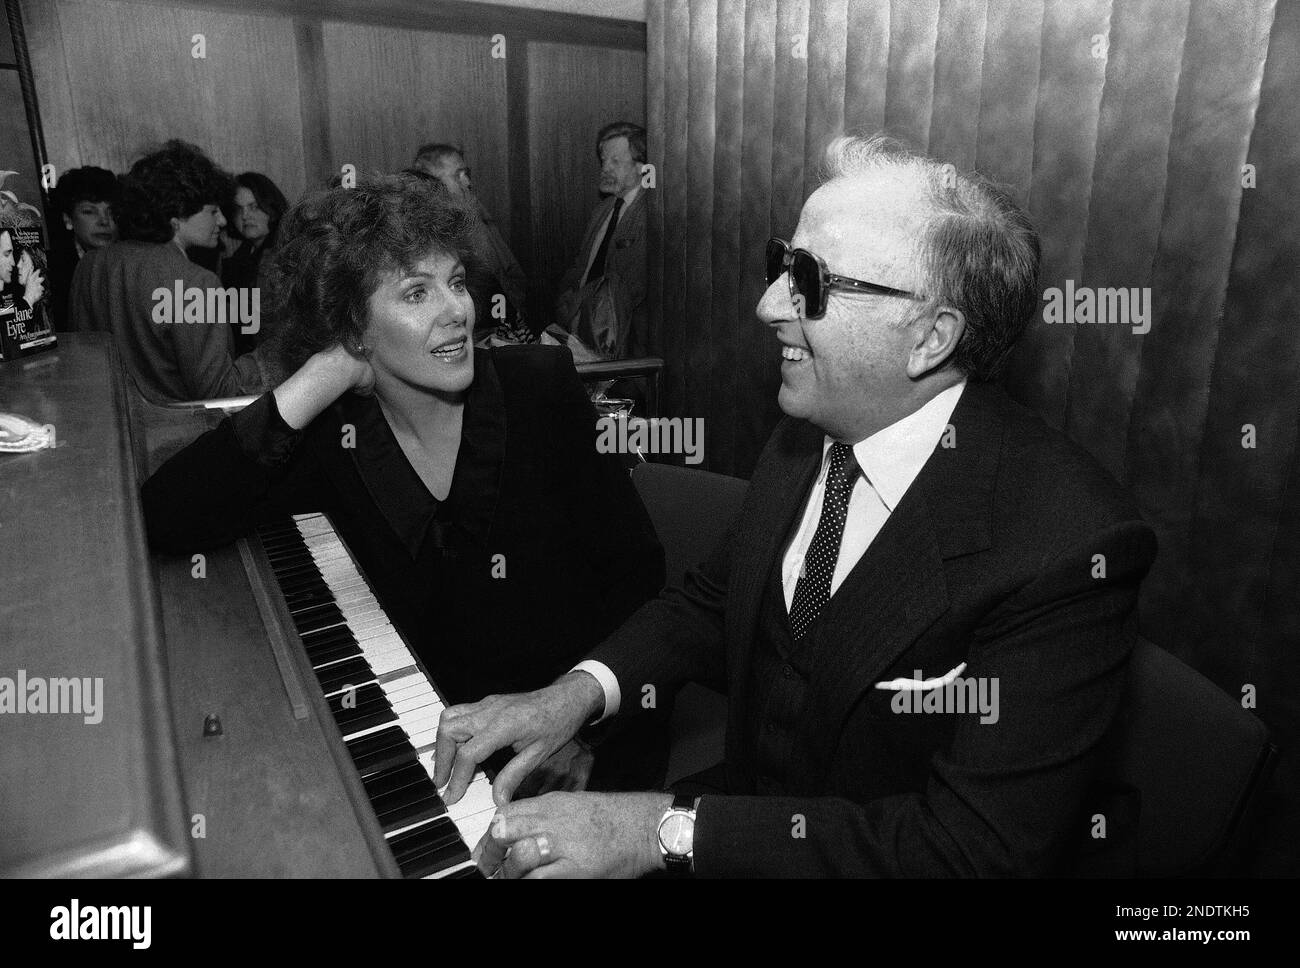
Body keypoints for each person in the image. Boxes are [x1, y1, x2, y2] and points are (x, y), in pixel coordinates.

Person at [433, 134, 1159, 878]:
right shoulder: (807, 431)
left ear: (930, 337)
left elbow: (967, 853)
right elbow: (714, 604)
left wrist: (661, 829)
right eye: (781, 263)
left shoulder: (1069, 544)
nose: (767, 303)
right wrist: (572, 695)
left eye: (809, 279)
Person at [140, 171, 668, 792]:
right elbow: (167, 516)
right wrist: (319, 377)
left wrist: (574, 722)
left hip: (573, 736)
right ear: (355, 327)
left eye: (457, 282)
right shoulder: (336, 436)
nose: (457, 311)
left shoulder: (540, 390)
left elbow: (640, 579)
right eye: (415, 294)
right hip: (427, 736)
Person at [68, 140, 267, 403]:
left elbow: (82, 367)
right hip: (183, 437)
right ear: (178, 214)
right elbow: (219, 394)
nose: (221, 221)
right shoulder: (196, 282)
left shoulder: (90, 265)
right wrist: (273, 357)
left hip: (114, 432)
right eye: (213, 211)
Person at [412, 144, 531, 344]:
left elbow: (509, 273)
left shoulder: (475, 213)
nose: (467, 182)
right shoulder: (425, 231)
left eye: (466, 174)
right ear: (431, 183)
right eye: (458, 175)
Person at [552, 121, 648, 361]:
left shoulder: (651, 214)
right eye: (603, 160)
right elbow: (581, 265)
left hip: (622, 337)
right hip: (580, 325)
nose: (605, 167)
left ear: (642, 168)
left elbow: (636, 283)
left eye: (615, 161)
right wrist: (566, 302)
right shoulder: (602, 210)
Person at [221, 171, 288, 354]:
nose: (244, 216)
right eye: (238, 209)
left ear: (271, 208)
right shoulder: (238, 257)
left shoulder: (286, 254)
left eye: (254, 207)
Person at [47, 166, 119, 331]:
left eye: (111, 212)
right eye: (89, 212)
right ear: (68, 219)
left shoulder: (131, 260)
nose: (104, 221)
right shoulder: (52, 270)